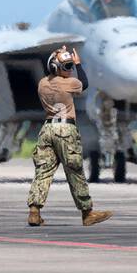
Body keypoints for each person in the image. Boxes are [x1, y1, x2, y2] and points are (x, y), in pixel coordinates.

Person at [27, 46, 112, 227]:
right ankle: (87, 213)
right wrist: (79, 64)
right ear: (56, 67)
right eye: (66, 66)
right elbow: (85, 83)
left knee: (43, 171)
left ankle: (34, 212)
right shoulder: (70, 83)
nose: (69, 70)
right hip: (66, 130)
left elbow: (53, 75)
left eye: (70, 66)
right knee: (75, 171)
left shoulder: (42, 83)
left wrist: (58, 57)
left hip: (47, 129)